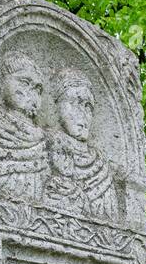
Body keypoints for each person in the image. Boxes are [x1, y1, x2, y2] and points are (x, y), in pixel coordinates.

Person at [46, 67, 117, 217]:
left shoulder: (101, 168)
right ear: (56, 107)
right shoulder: (44, 146)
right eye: (75, 102)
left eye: (88, 106)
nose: (83, 113)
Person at [0, 52, 49, 199]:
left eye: (37, 89)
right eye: (25, 83)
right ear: (2, 82)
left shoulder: (41, 139)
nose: (31, 94)